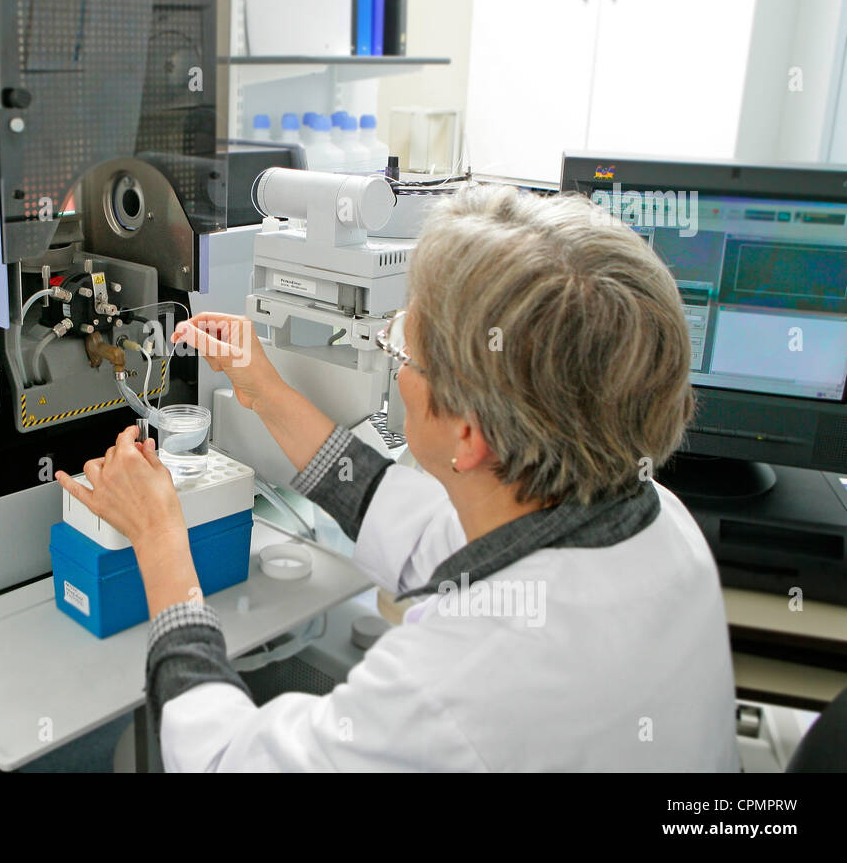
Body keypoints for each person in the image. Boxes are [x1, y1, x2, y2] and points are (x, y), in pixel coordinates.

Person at [56, 184, 741, 772]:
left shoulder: (457, 683)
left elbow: (222, 760)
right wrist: (265, 391)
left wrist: (160, 542)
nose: (395, 362)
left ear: (468, 435)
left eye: (406, 348)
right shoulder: (650, 518)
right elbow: (400, 517)